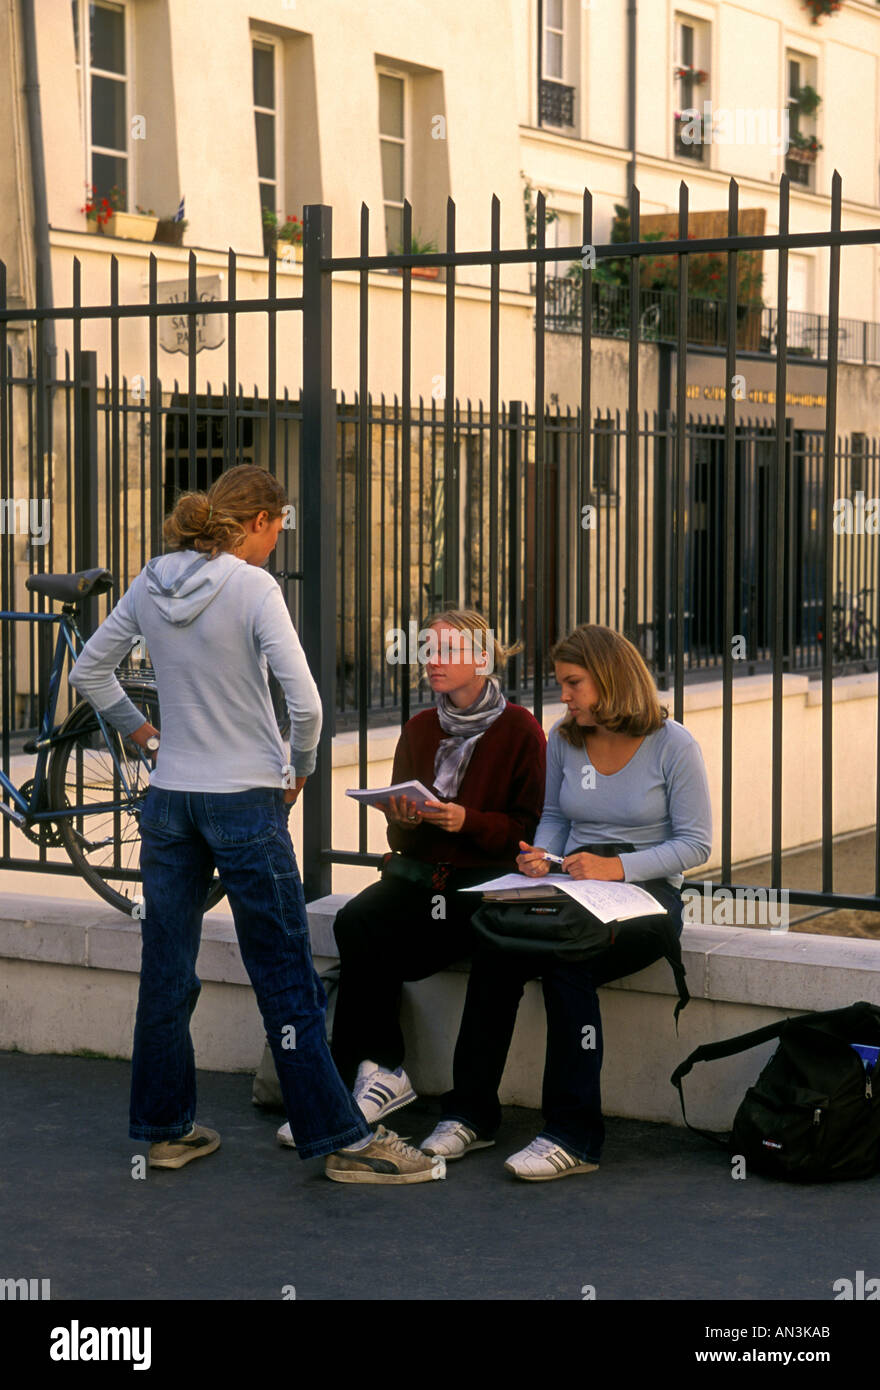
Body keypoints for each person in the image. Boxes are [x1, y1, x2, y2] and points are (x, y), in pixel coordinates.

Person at [68, 464, 440, 1185]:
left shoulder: (151, 581)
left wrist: (145, 736)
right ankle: (341, 1141)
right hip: (245, 798)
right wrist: (299, 766)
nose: (278, 542)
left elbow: (90, 671)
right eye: (280, 528)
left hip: (172, 798)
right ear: (263, 521)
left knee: (166, 969)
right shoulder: (253, 587)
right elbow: (306, 704)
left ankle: (166, 1131)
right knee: (284, 975)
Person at [419, 622, 712, 1180]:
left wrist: (618, 867)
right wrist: (540, 856)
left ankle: (573, 1135)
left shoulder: (673, 744)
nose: (566, 696)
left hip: (645, 899)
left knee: (566, 962)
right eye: (561, 684)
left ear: (611, 679)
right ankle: (470, 1114)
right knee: (496, 950)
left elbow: (695, 844)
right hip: (574, 888)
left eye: (574, 683)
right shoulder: (564, 737)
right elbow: (553, 817)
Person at [276, 609, 546, 1146]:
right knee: (357, 922)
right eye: (428, 650)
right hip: (420, 879)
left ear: (483, 659)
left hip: (483, 886)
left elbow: (529, 827)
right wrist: (401, 818)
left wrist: (467, 820)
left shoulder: (520, 728)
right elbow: (404, 841)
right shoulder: (421, 726)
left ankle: (455, 1109)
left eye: (446, 651)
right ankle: (378, 1073)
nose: (431, 662)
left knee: (459, 950)